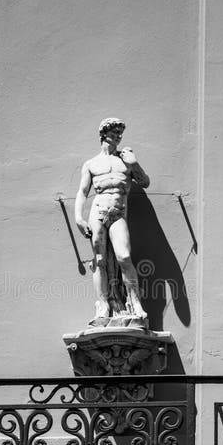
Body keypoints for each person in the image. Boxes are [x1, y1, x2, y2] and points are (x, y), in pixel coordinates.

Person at [75, 117, 150, 327]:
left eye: (120, 133)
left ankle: (134, 303)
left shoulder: (125, 160)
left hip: (118, 212)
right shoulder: (91, 164)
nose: (118, 136)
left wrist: (134, 164)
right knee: (99, 260)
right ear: (104, 134)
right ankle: (103, 306)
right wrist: (78, 217)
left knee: (124, 256)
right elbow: (82, 192)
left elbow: (144, 182)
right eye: (114, 132)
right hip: (97, 211)